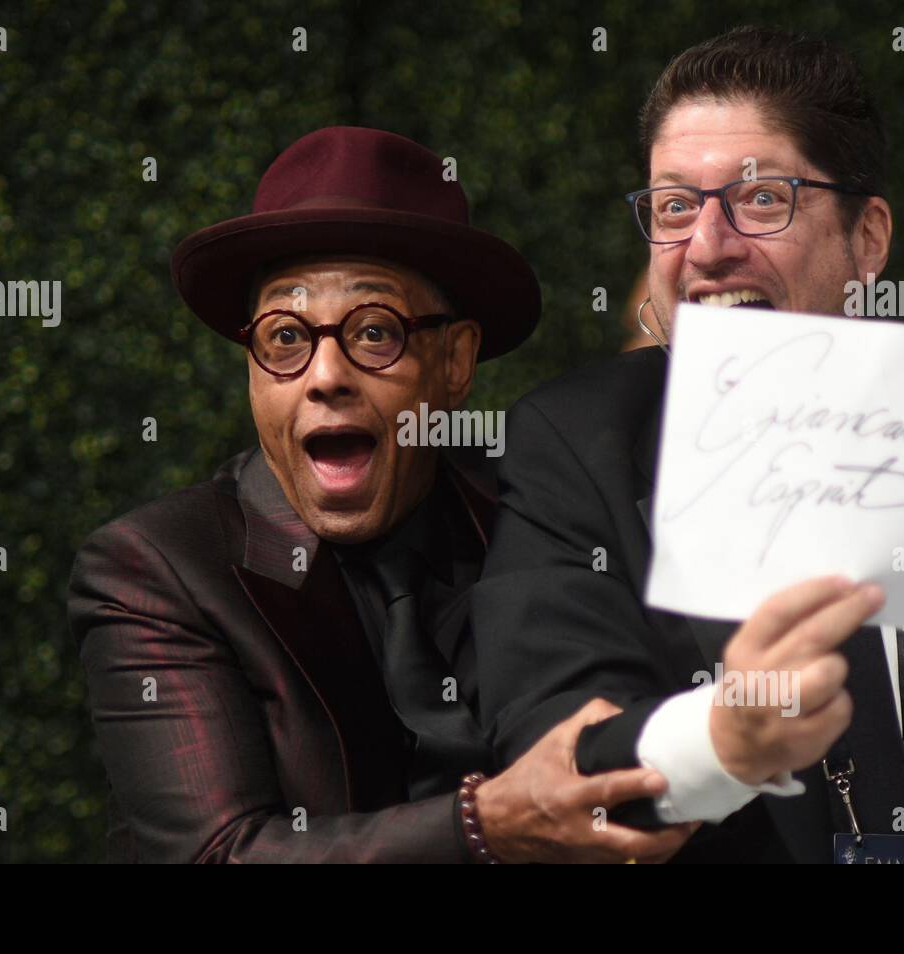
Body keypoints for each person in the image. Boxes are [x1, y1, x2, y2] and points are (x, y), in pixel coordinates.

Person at [470, 27, 904, 863]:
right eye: (673, 206)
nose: (706, 245)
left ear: (867, 239)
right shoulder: (577, 449)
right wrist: (726, 739)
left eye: (763, 199)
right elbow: (557, 757)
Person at [67, 125, 695, 863]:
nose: (325, 374)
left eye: (373, 332)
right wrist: (482, 825)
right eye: (284, 338)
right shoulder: (156, 569)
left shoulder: (536, 517)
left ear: (456, 363)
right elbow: (219, 853)